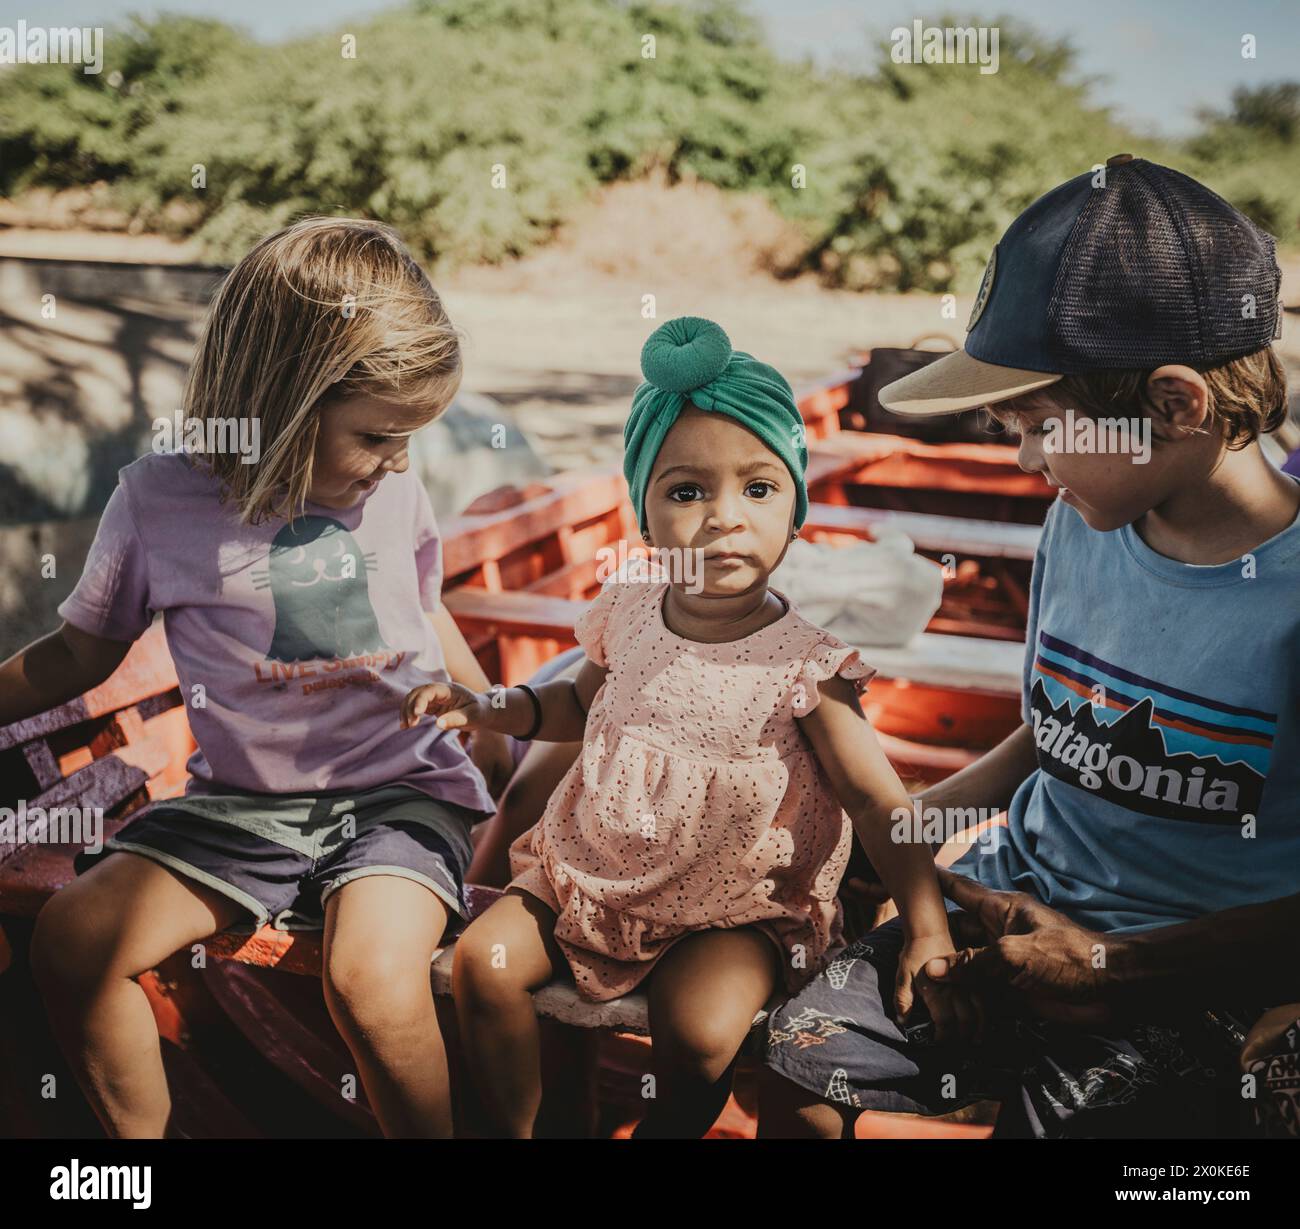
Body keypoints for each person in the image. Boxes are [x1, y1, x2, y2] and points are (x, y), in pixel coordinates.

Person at [758, 155, 1300, 1139]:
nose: (1024, 460)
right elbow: (1059, 731)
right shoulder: (1082, 520)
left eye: (1042, 426)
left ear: (1175, 404)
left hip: (1199, 970)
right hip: (1020, 894)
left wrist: (1110, 965)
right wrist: (901, 837)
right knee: (799, 1071)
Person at [0, 217, 513, 1138]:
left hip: (402, 792)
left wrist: (500, 731)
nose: (400, 460)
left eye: (411, 438)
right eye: (379, 435)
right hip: (239, 808)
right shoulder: (158, 502)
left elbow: (427, 613)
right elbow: (79, 655)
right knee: (74, 940)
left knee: (371, 978)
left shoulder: (390, 486)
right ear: (278, 400)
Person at [403, 317, 978, 1137]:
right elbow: (576, 706)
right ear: (643, 513)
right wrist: (495, 704)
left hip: (735, 908)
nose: (723, 518)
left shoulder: (807, 665)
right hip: (590, 874)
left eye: (758, 488)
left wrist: (925, 925)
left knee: (701, 1026)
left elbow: (878, 800)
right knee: (483, 965)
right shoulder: (631, 611)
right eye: (685, 491)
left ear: (796, 507)